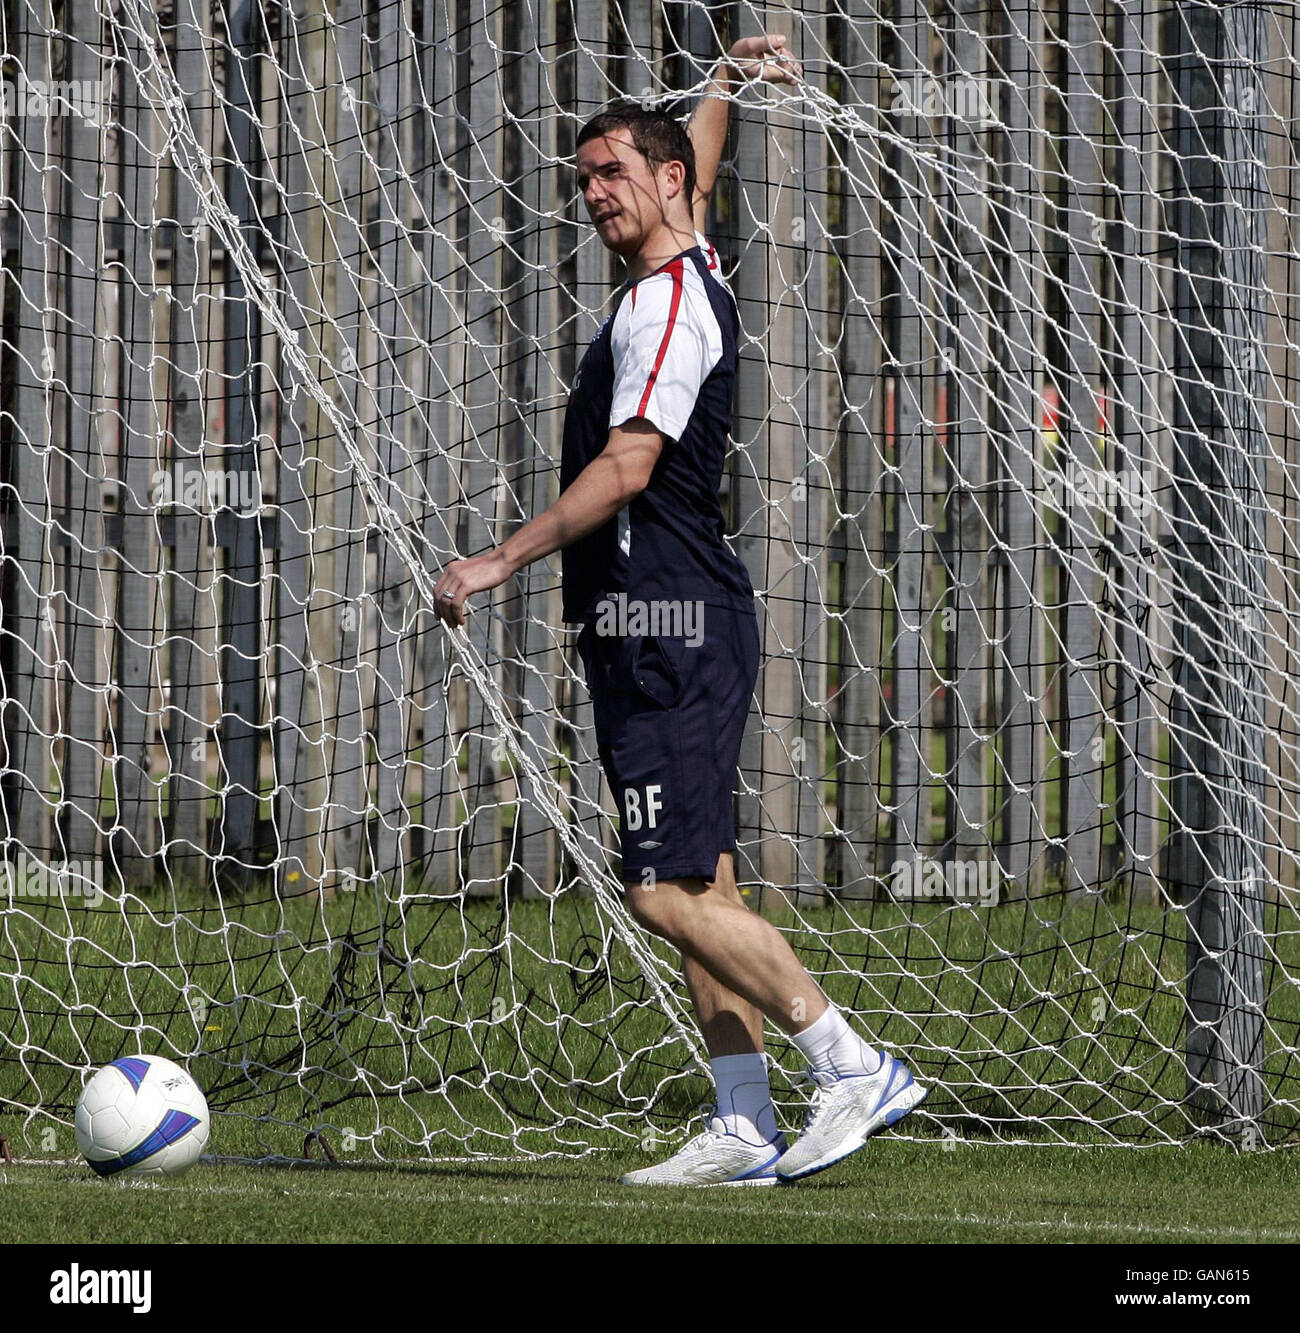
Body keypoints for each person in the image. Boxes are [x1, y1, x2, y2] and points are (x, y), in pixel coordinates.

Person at [433, 34, 925, 1185]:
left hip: (667, 620)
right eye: (582, 179)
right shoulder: (688, 253)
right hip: (652, 622)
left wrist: (495, 562)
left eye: (610, 172)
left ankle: (850, 1061)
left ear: (658, 186)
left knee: (658, 891)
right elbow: (687, 166)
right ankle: (743, 1122)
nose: (594, 193)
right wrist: (723, 85)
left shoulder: (662, 311)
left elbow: (630, 464)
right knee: (701, 885)